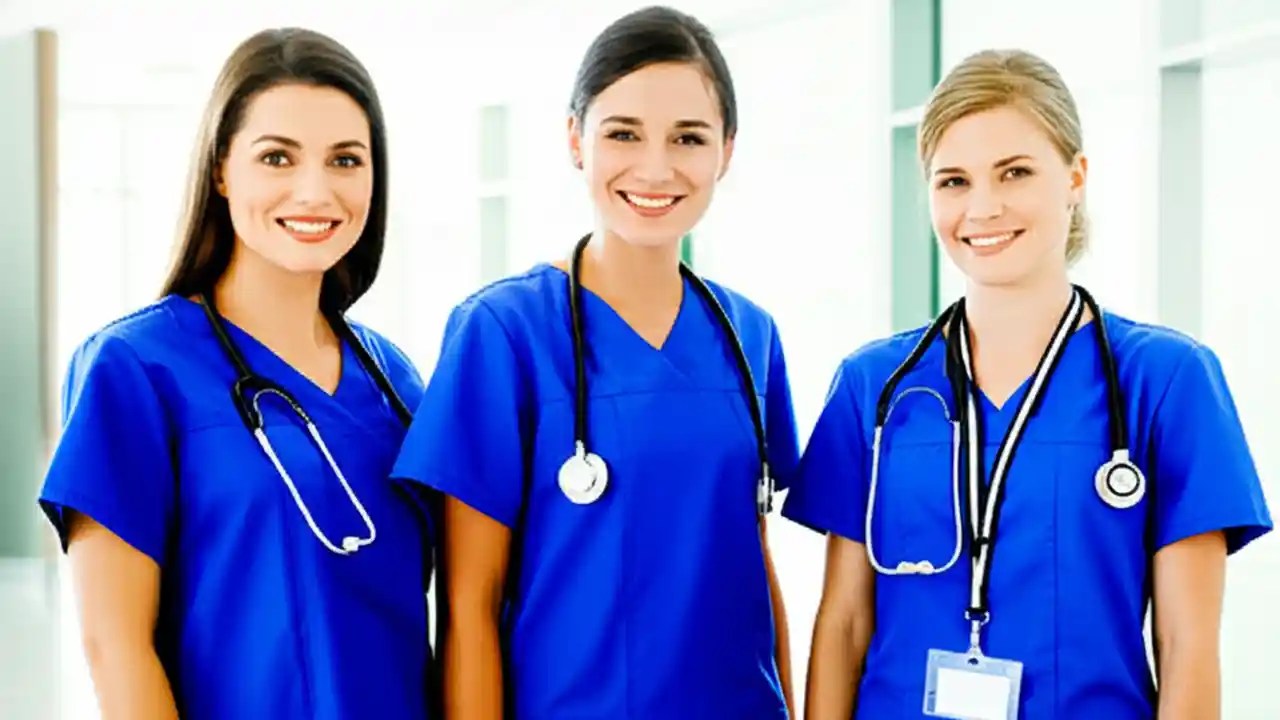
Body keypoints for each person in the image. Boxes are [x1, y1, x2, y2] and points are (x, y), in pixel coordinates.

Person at [783, 48, 1273, 720]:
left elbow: (1187, 643)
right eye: (953, 181)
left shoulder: (1166, 380)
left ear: (1075, 176)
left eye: (1014, 173)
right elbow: (841, 626)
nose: (983, 207)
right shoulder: (875, 386)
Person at [391, 6, 800, 718]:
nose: (656, 167)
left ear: (726, 152)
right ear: (576, 140)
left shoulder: (749, 334)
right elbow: (467, 603)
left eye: (689, 138)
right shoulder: (504, 332)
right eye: (623, 134)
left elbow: (755, 565)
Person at [37, 28, 435, 720]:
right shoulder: (136, 370)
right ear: (221, 170)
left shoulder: (393, 378)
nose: (315, 190)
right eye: (277, 157)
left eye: (346, 159)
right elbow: (116, 647)